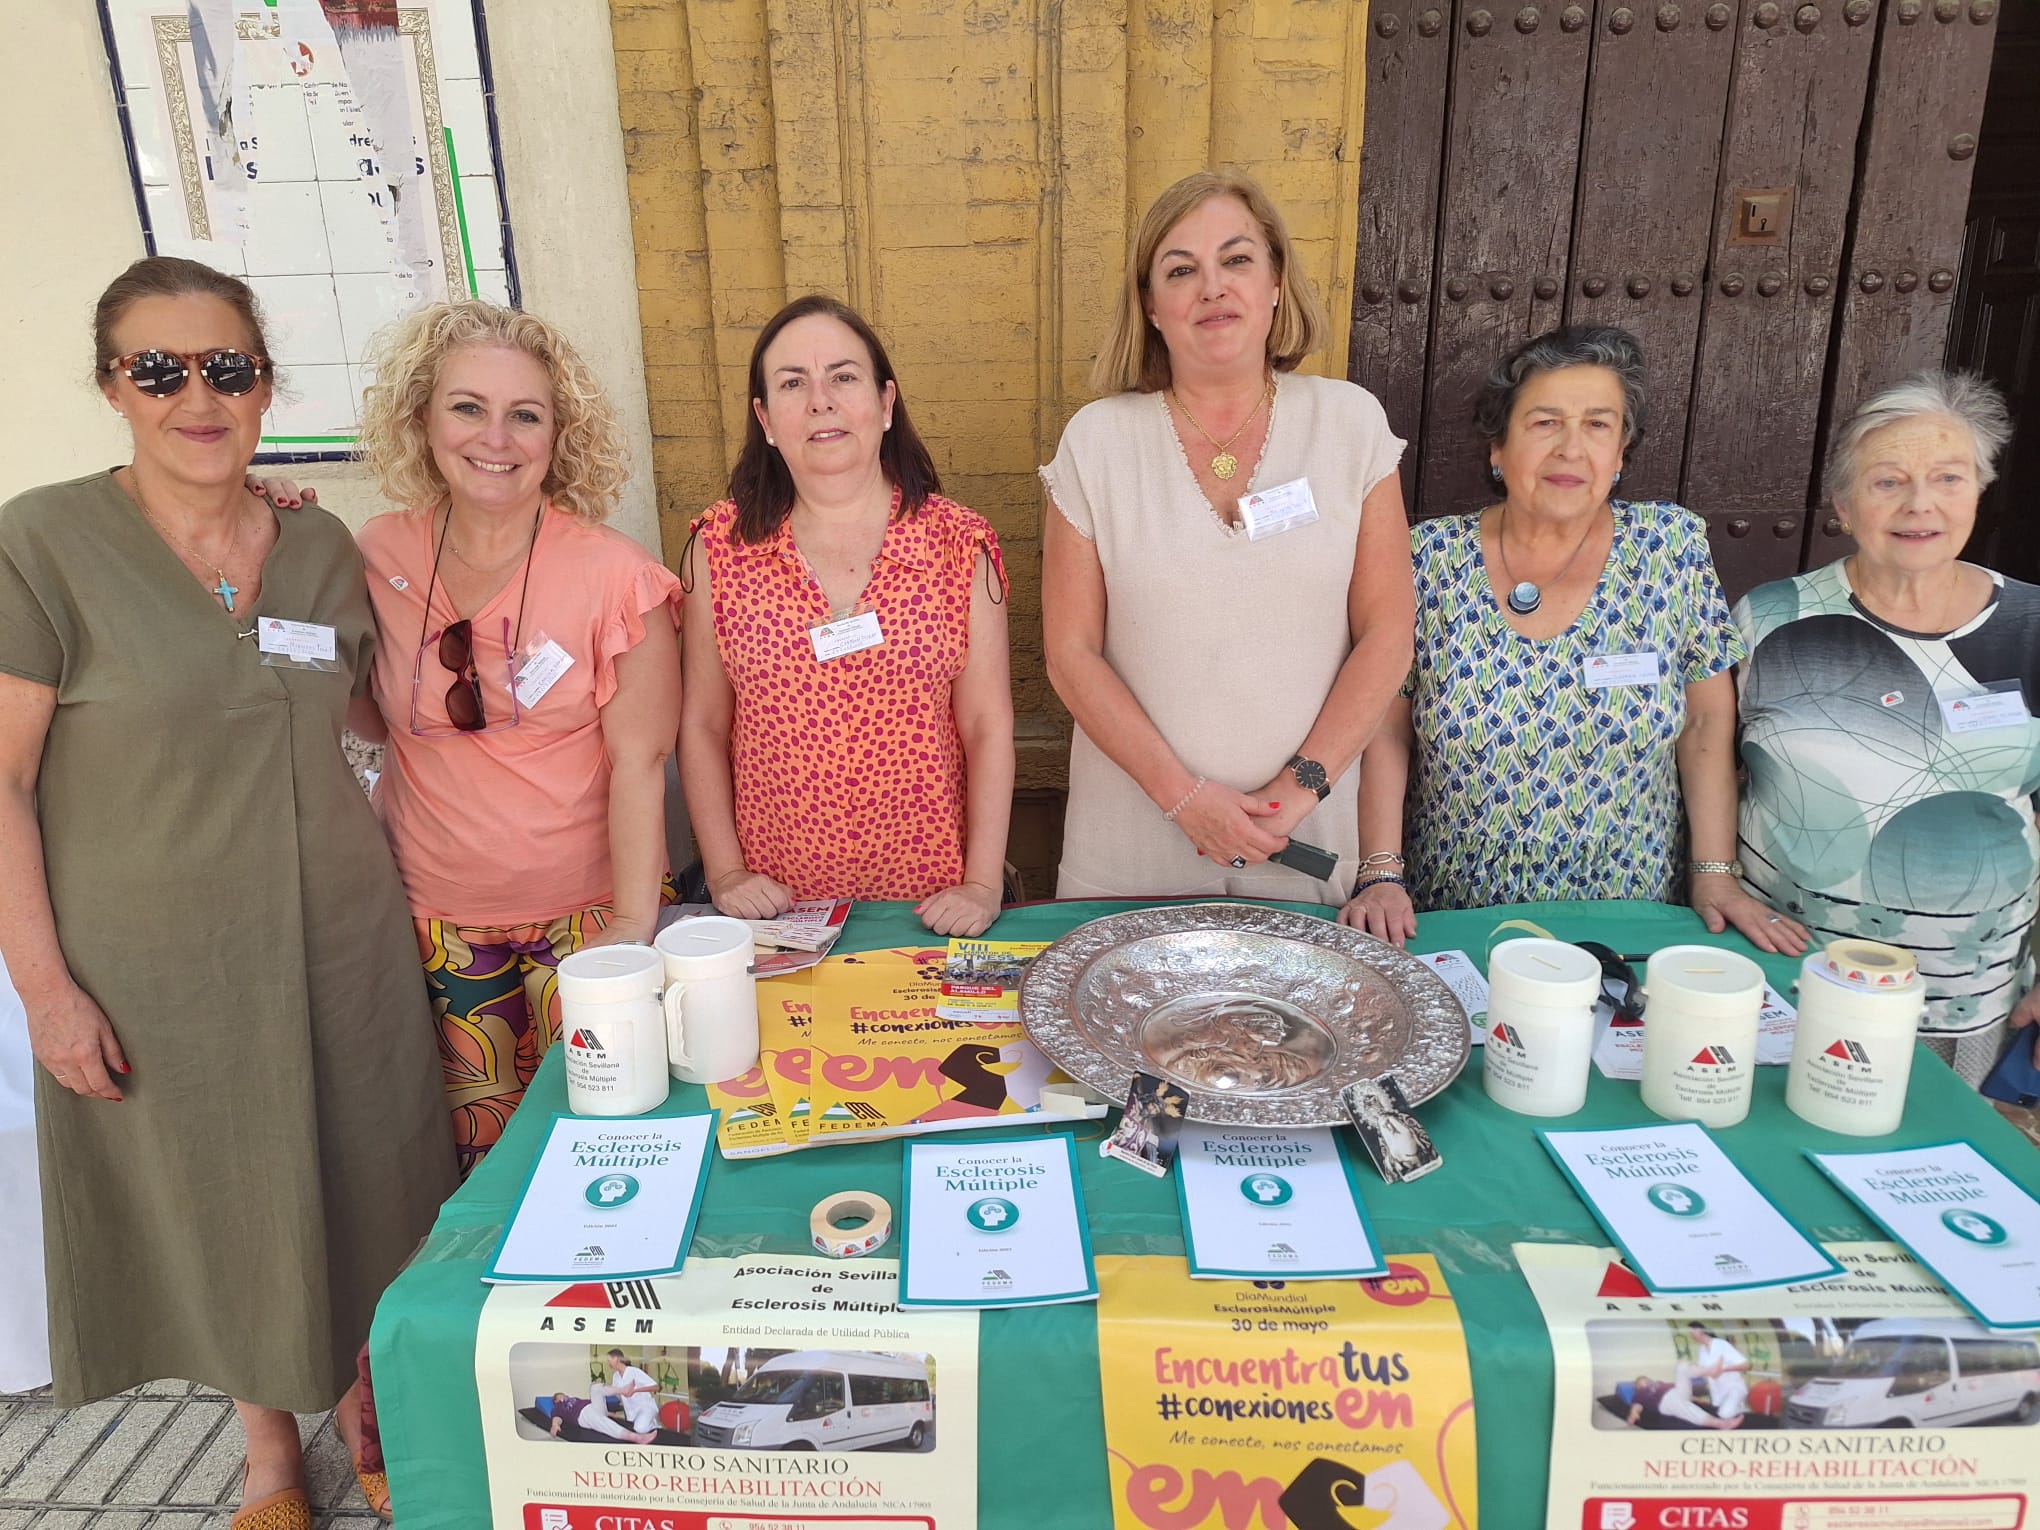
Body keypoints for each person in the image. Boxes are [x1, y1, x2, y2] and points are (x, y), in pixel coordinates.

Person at [0, 256, 454, 1530]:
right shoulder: (41, 543)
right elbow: (3, 783)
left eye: (226, 368)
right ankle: (267, 1451)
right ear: (112, 386)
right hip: (161, 960)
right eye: (160, 369)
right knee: (229, 1187)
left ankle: (368, 1397)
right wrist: (44, 990)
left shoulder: (316, 545)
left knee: (373, 1164)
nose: (196, 395)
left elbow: (373, 712)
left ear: (264, 386)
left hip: (342, 934)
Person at [1342, 326, 1806, 954]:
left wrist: (1715, 874)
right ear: (1498, 450)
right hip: (1452, 914)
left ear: (1621, 452)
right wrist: (1380, 873)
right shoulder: (1430, 558)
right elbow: (1386, 729)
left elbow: (1705, 726)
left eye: (1597, 425)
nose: (1571, 449)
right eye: (1544, 423)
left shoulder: (1670, 547)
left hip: (1630, 916)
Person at [351, 301, 683, 1172]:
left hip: (589, 925)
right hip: (438, 926)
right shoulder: (372, 554)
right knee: (479, 1166)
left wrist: (634, 924)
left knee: (611, 1148)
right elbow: (355, 708)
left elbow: (642, 763)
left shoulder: (616, 576)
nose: (495, 436)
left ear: (557, 435)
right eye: (467, 407)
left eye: (524, 414)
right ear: (421, 419)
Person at [1040, 169, 1414, 902]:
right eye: (1181, 270)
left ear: (1276, 281)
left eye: (1237, 260)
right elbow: (1070, 654)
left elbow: (1387, 634)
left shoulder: (1350, 426)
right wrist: (1183, 798)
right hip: (1132, 845)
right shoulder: (1098, 442)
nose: (1213, 287)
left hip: (1301, 841)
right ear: (1151, 305)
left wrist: (1299, 790)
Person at [1733, 370, 2038, 1087]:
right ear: (1843, 504)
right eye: (1888, 481)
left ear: (1980, 489)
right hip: (1784, 979)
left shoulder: (2032, 627)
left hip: (1965, 995)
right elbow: (1711, 773)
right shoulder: (1770, 619)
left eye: (1948, 478)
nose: (1920, 504)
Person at [680, 295, 1012, 937]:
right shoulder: (718, 548)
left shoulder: (958, 544)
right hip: (776, 906)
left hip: (933, 904)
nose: (820, 401)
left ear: (885, 404)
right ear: (766, 418)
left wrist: (981, 883)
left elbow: (986, 724)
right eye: (792, 383)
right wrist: (724, 875)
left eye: (843, 376)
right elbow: (701, 723)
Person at [1686, 1322, 1750, 1423]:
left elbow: (1746, 1365)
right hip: (1718, 1392)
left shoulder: (1721, 1344)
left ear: (1700, 1331)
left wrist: (1724, 1370)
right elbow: (1706, 1371)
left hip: (1734, 1388)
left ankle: (1743, 1411)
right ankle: (1738, 1410)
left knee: (1724, 1414)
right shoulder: (1702, 1350)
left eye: (1692, 1333)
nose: (1691, 1336)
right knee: (1721, 1414)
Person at [549, 1390, 657, 1445]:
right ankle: (638, 1438)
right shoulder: (558, 1407)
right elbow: (557, 1417)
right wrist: (555, 1425)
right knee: (605, 1424)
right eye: (560, 1396)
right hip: (582, 1414)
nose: (563, 1397)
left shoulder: (575, 1399)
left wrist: (609, 1413)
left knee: (597, 1389)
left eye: (564, 1395)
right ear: (555, 1401)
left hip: (592, 1406)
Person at [602, 1348, 663, 1432]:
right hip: (631, 1411)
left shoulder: (634, 1371)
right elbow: (617, 1392)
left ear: (617, 1359)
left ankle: (654, 1426)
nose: (608, 1363)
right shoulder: (615, 1376)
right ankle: (646, 1424)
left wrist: (635, 1390)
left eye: (609, 1360)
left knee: (640, 1429)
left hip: (645, 1407)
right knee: (634, 1429)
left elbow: (656, 1387)